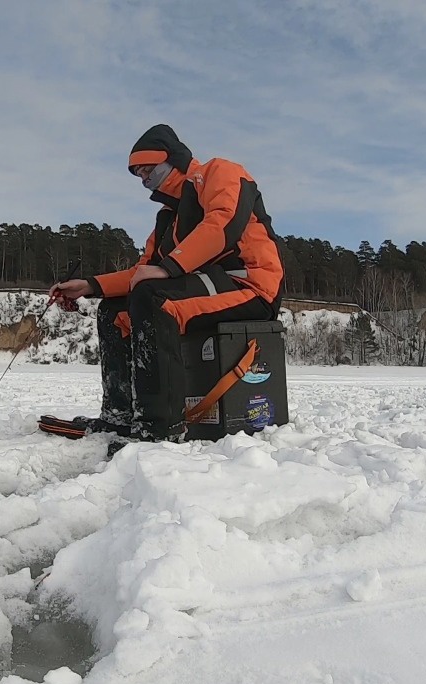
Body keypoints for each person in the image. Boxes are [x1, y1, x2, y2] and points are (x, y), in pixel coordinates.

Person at [50, 124, 284, 444]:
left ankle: (160, 427)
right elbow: (142, 272)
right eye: (139, 174)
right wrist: (90, 285)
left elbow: (223, 223)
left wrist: (170, 267)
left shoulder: (219, 172)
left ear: (173, 159)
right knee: (114, 310)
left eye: (149, 169)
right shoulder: (167, 217)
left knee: (154, 298)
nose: (144, 178)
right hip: (207, 284)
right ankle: (120, 417)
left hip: (251, 286)